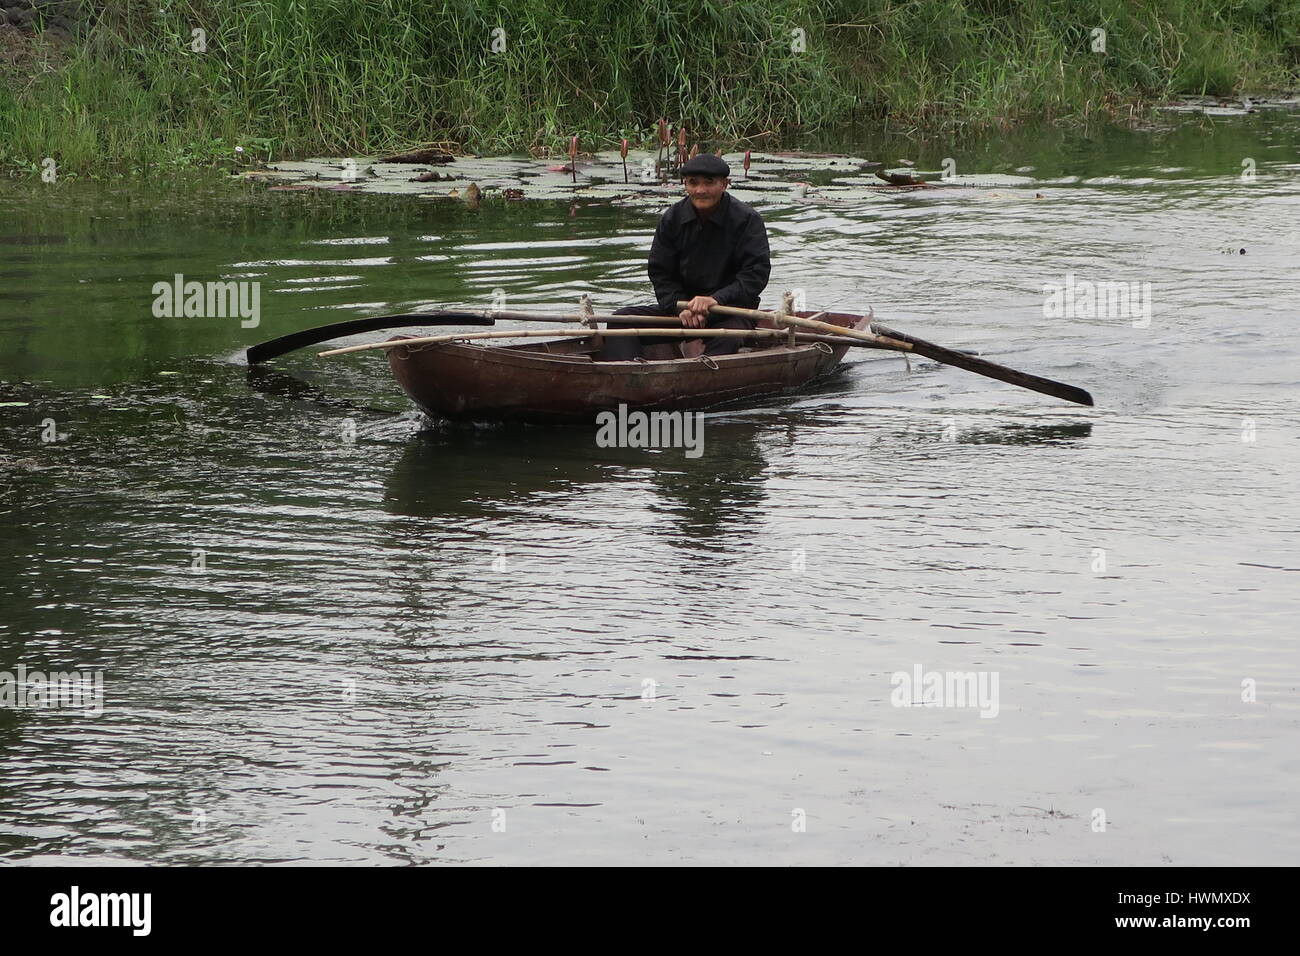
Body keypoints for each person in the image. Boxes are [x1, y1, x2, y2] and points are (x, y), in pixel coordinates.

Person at [601, 154, 771, 360]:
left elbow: (755, 275)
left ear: (725, 184)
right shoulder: (672, 219)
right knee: (621, 322)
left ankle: (704, 381)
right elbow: (660, 272)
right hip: (683, 311)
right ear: (685, 185)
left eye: (709, 183)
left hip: (732, 311)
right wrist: (679, 305)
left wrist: (714, 300)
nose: (700, 190)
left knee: (728, 338)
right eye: (693, 183)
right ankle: (627, 376)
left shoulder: (747, 220)